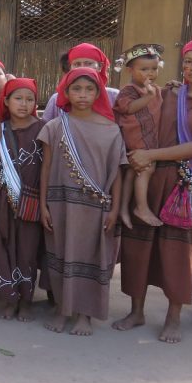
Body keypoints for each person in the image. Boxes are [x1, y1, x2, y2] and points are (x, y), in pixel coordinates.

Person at [117, 37, 192, 343]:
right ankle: (137, 311)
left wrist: (150, 156)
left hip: (185, 183)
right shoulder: (168, 93)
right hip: (151, 177)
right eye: (187, 60)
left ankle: (173, 317)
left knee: (178, 251)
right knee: (139, 245)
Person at [38, 69, 125, 336]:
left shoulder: (111, 130)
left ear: (99, 93)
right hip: (60, 203)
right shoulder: (54, 126)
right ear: (65, 93)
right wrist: (43, 205)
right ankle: (63, 310)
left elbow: (118, 172)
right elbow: (46, 167)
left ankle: (84, 315)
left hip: (96, 207)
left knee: (91, 257)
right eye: (76, 89)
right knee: (61, 255)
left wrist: (115, 209)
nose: (83, 95)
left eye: (89, 89)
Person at [0, 78, 45, 321]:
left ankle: (26, 301)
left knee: (27, 251)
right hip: (4, 200)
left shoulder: (43, 128)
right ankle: (9, 298)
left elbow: (47, 168)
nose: (24, 104)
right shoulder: (1, 130)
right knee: (4, 246)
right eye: (18, 98)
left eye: (29, 99)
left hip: (31, 201)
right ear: (6, 101)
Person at [112, 44, 165, 228]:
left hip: (148, 135)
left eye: (154, 68)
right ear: (130, 70)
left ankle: (124, 209)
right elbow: (127, 107)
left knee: (131, 172)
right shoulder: (129, 89)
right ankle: (141, 207)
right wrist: (148, 98)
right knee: (147, 168)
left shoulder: (156, 90)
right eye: (144, 69)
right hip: (136, 136)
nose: (150, 73)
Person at [42, 43, 120, 121]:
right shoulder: (56, 100)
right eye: (77, 64)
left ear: (100, 67)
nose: (82, 68)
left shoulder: (114, 97)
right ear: (70, 67)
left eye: (88, 63)